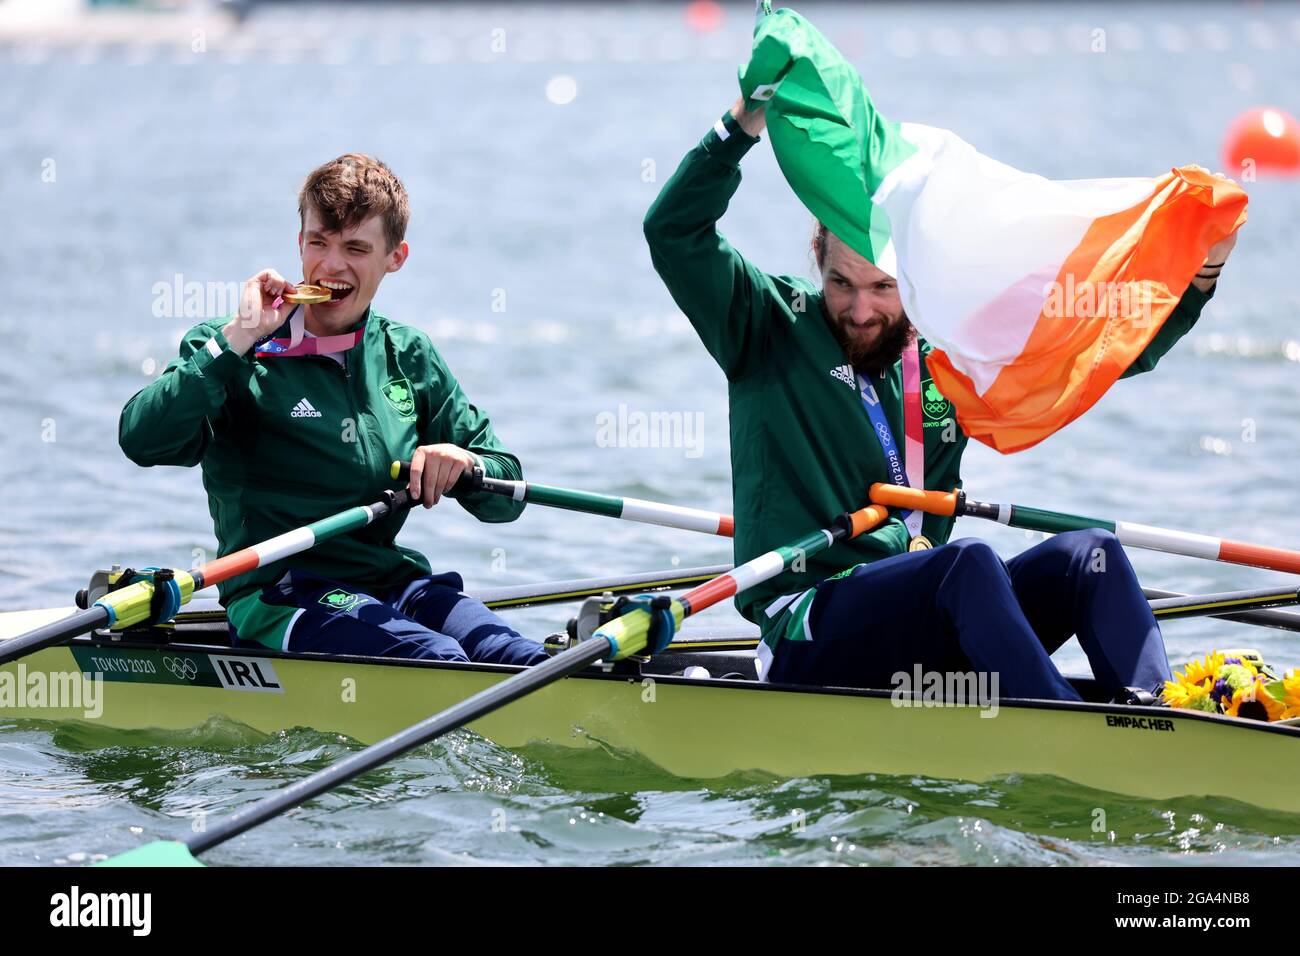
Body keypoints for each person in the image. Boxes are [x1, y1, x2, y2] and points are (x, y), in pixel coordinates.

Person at [643, 100, 1238, 702]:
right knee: (969, 563)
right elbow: (672, 230)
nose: (861, 309)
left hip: (925, 614)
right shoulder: (767, 323)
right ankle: (1065, 728)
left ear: (918, 278)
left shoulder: (950, 349)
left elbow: (1102, 350)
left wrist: (1201, 275)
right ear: (818, 262)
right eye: (841, 284)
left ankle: (1158, 712)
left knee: (1091, 554)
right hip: (811, 624)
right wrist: (740, 128)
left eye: (882, 287)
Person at [119, 153, 546, 666]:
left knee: (517, 655)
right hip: (281, 589)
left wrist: (466, 466)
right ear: (300, 243)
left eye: (356, 248)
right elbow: (141, 439)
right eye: (318, 242)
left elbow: (508, 494)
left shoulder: (408, 355)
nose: (331, 264)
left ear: (396, 257)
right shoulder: (233, 348)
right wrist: (237, 338)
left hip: (394, 583)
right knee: (437, 656)